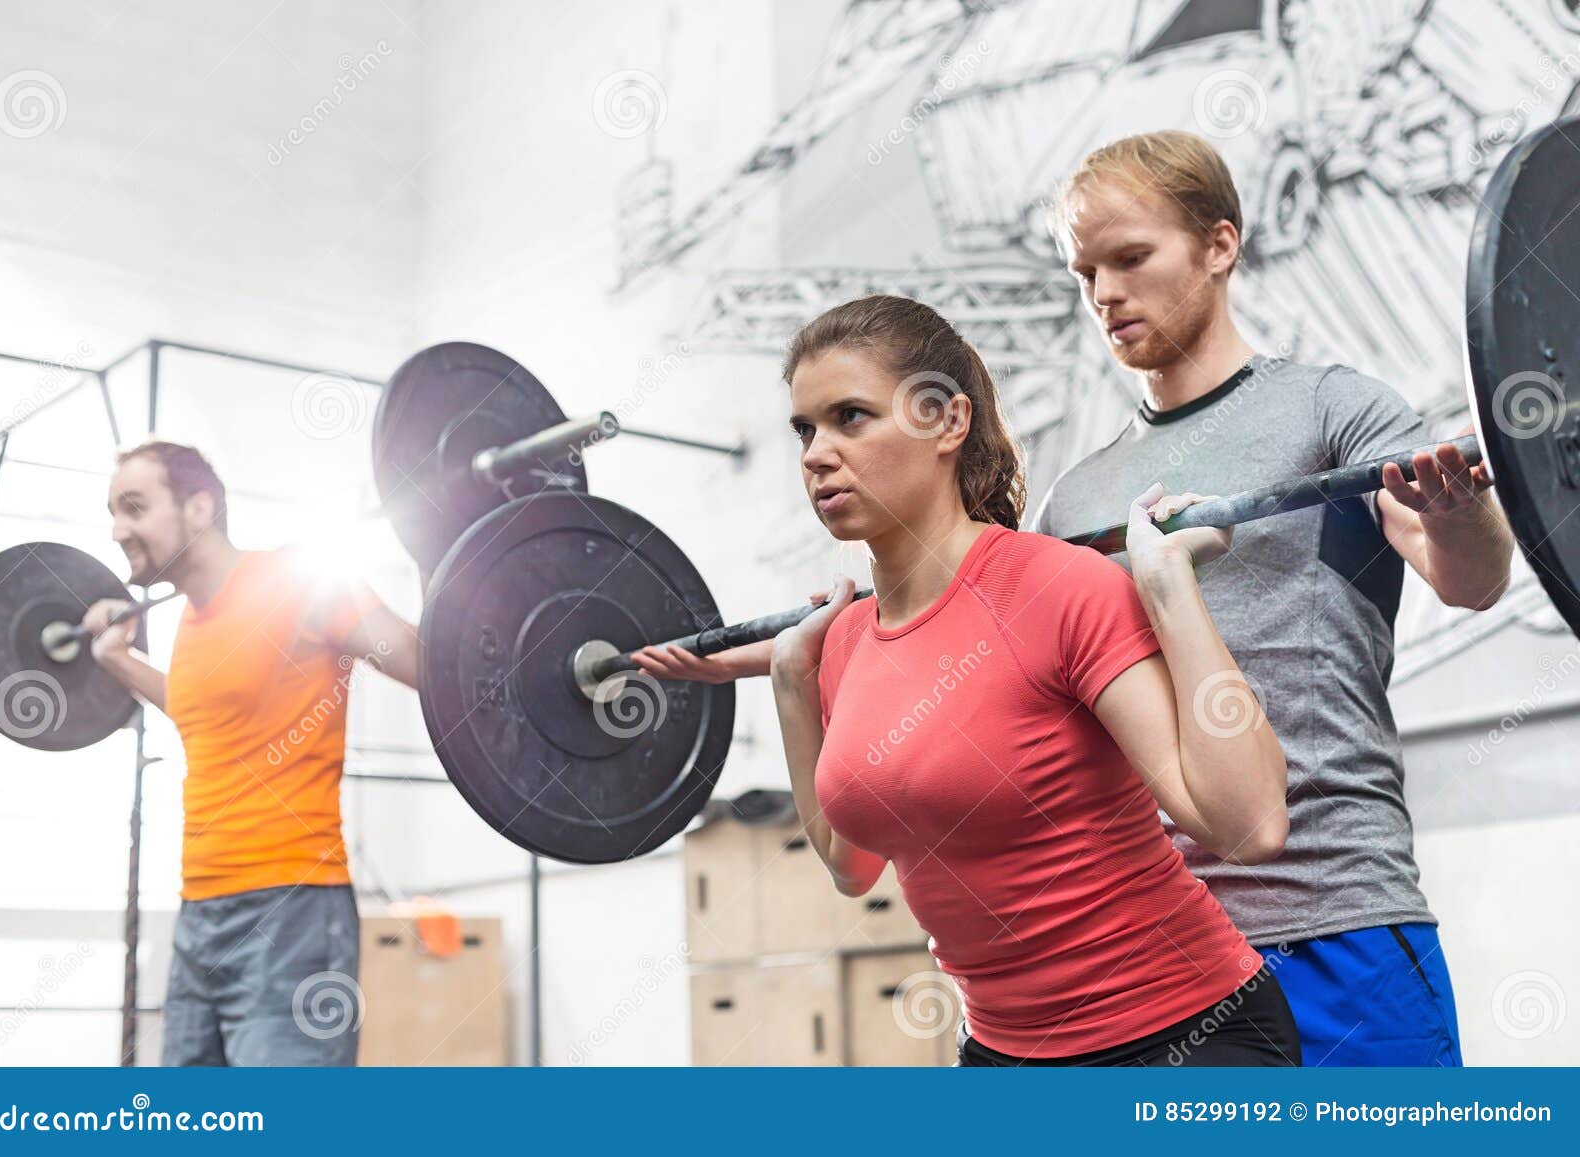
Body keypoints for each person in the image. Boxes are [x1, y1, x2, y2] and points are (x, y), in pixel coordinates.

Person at [648, 294, 1299, 1066]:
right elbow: (851, 864)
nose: (816, 453)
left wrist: (1166, 584)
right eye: (805, 428)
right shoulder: (847, 643)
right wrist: (792, 681)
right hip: (1001, 1055)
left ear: (947, 423)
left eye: (850, 417)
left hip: (1186, 1034)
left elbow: (1251, 826)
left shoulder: (1058, 588)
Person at [1032, 131, 1515, 1065]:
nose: (1103, 293)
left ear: (1221, 245)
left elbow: (1471, 577)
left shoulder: (1335, 412)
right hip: (1157, 951)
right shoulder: (1076, 500)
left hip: (1335, 915)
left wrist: (1461, 510)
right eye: (1083, 270)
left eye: (1131, 257)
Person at [82, 440, 420, 1066]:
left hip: (291, 909)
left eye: (133, 507)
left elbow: (431, 665)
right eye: (112, 511)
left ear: (199, 507)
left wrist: (443, 549)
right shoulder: (190, 619)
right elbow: (200, 713)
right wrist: (119, 661)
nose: (116, 529)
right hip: (200, 911)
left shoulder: (301, 583)